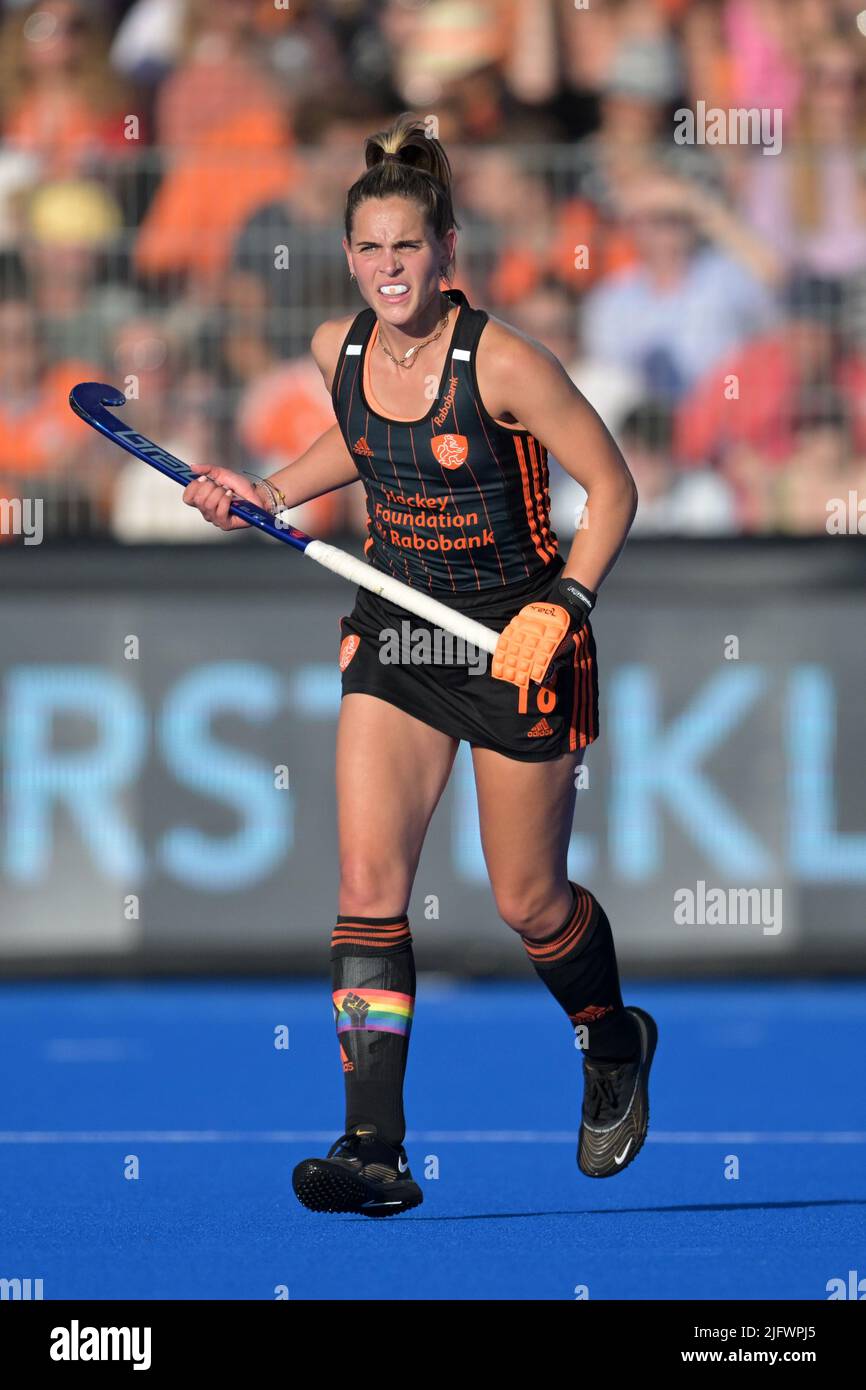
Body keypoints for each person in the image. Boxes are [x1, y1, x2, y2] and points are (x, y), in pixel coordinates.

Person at [181, 114, 658, 1218]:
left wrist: (566, 605)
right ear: (348, 257)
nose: (389, 269)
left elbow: (613, 489)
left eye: (409, 247)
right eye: (370, 251)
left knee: (528, 901)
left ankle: (610, 1037)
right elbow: (361, 441)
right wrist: (263, 490)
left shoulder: (503, 361)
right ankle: (373, 1147)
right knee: (364, 887)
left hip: (517, 638)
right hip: (398, 631)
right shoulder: (332, 350)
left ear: (446, 249)